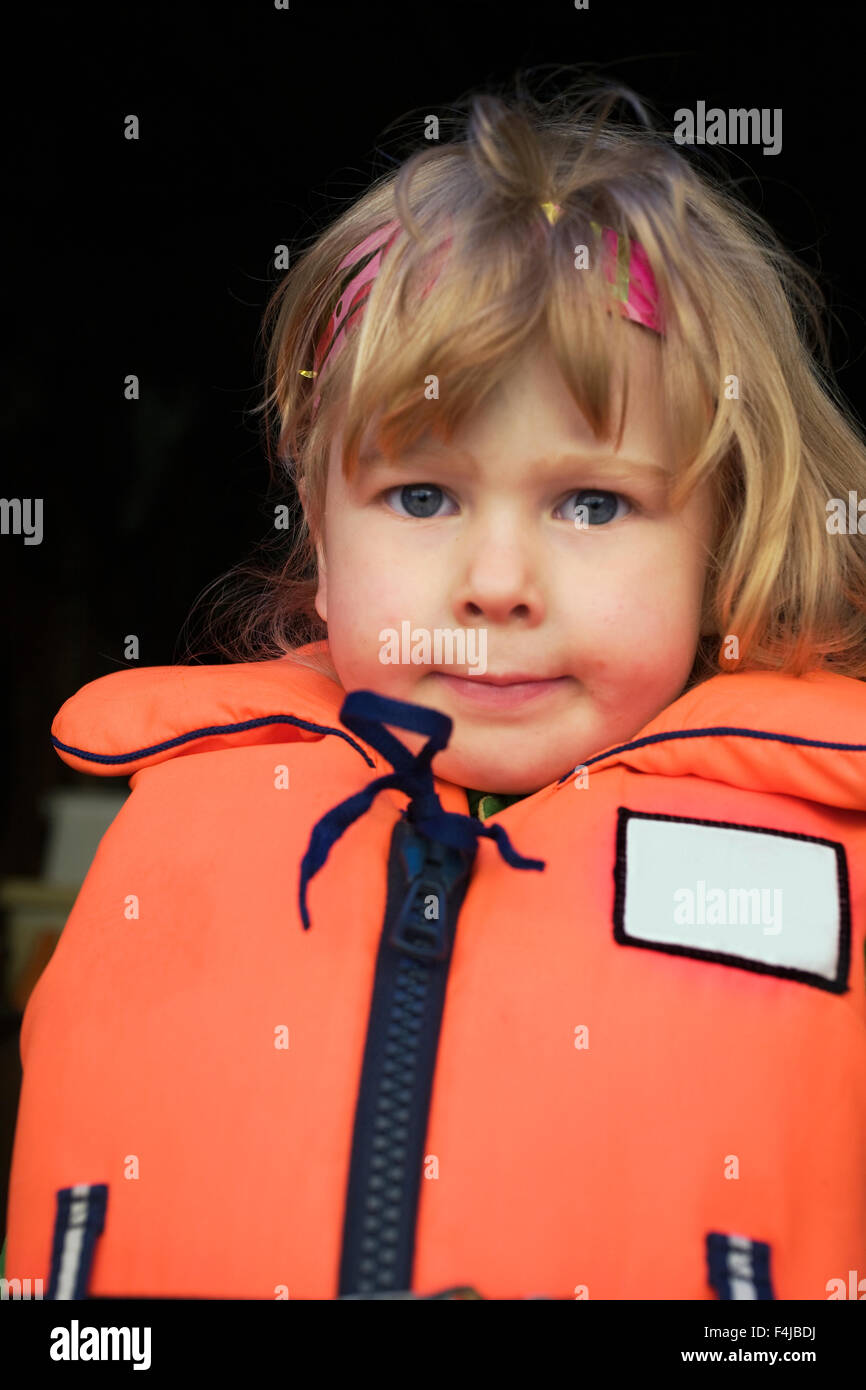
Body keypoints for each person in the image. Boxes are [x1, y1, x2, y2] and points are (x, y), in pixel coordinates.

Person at [5, 78, 866, 1301]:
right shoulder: (162, 850)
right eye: (421, 497)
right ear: (318, 521)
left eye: (591, 502)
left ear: (720, 537)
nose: (497, 584)